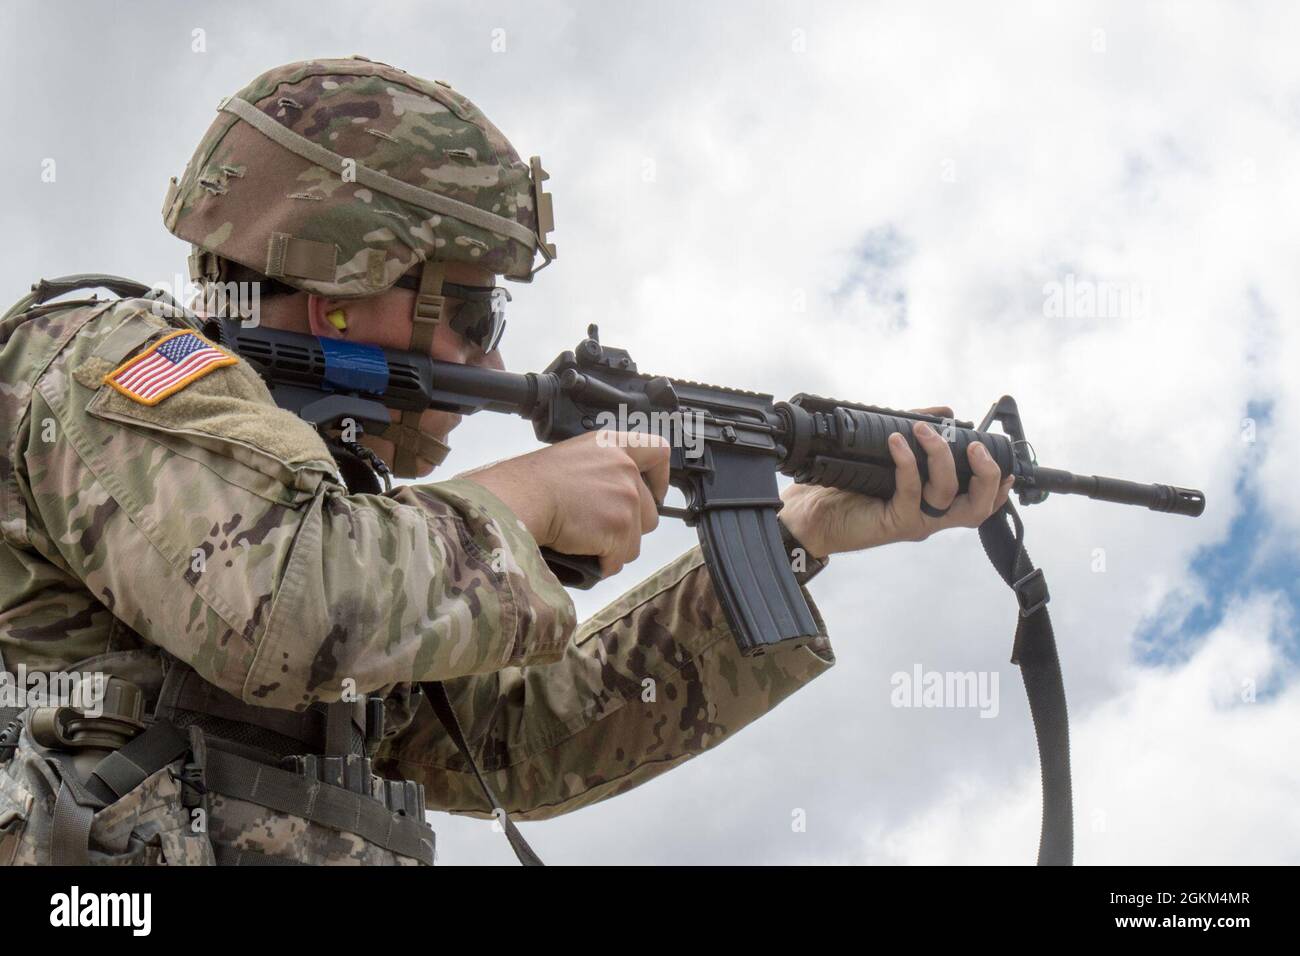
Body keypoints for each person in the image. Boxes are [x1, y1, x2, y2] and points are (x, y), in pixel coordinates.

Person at [0, 56, 1011, 866]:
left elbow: (525, 737)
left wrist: (797, 536)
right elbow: (284, 601)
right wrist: (522, 500)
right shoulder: (105, 360)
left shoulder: (346, 524)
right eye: (474, 310)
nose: (488, 360)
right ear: (346, 278)